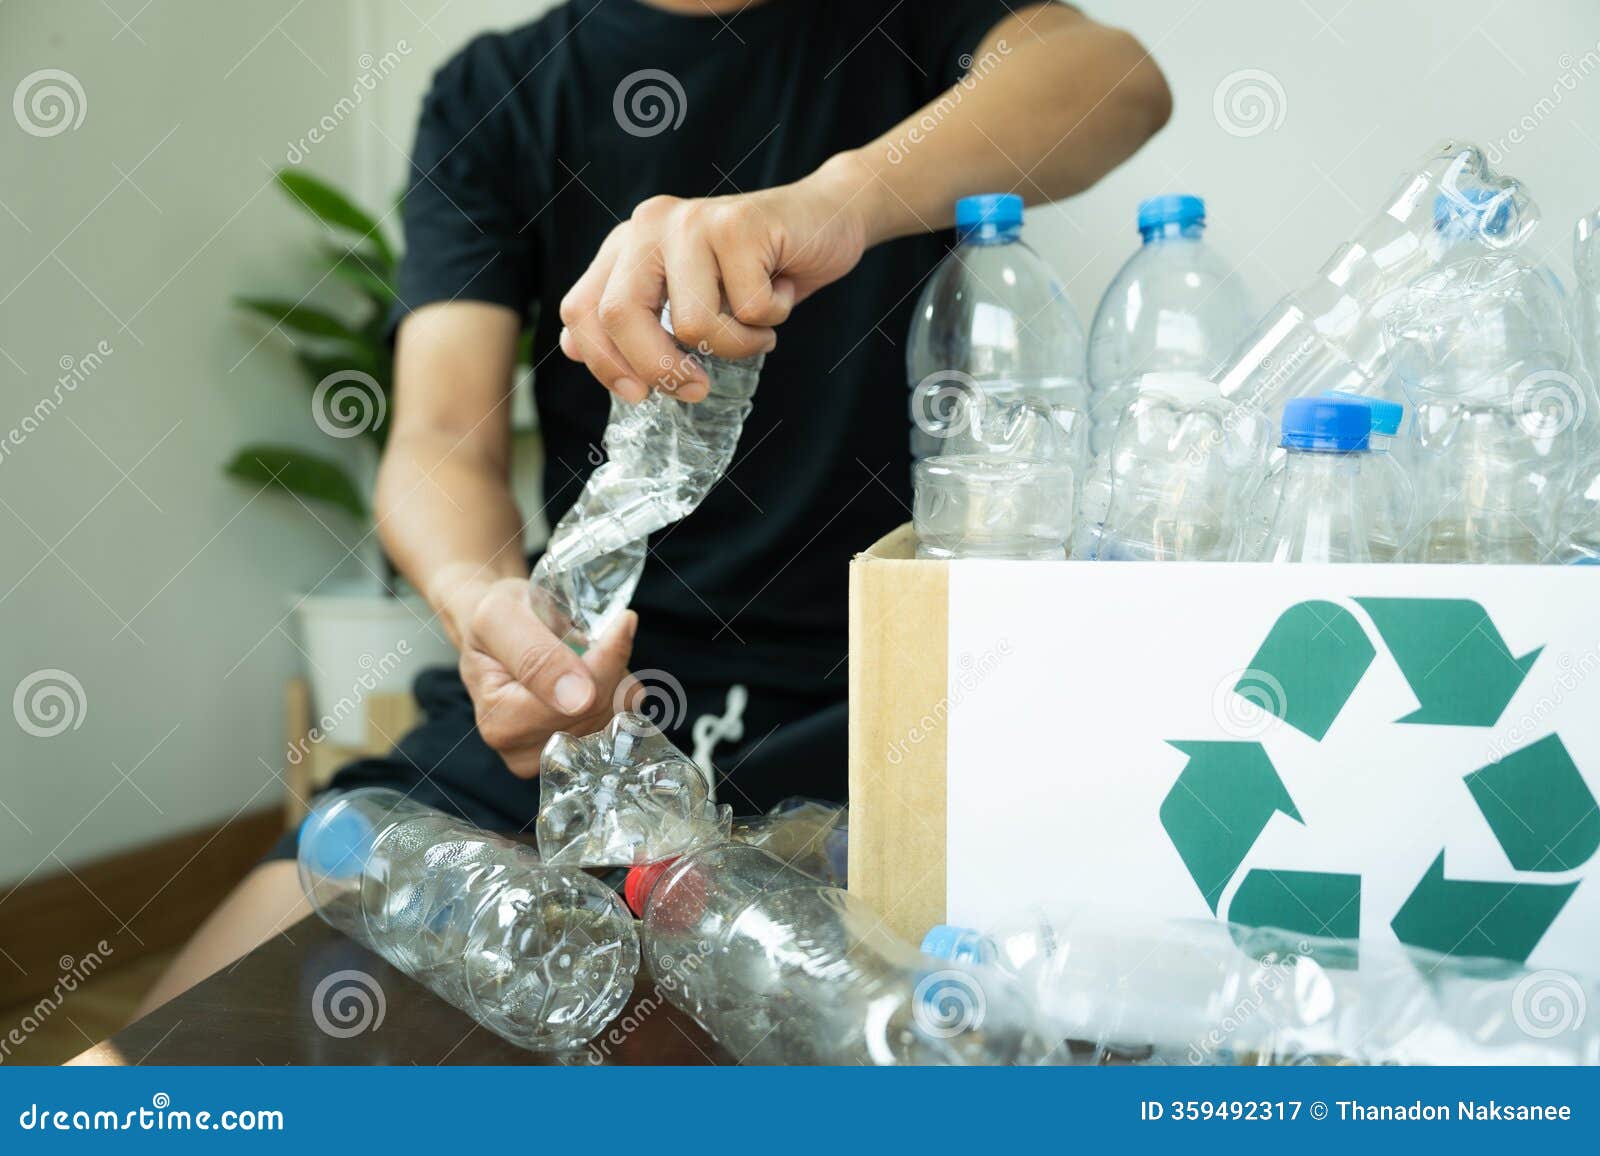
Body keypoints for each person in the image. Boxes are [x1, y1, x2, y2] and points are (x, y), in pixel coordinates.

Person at [137, 0, 1169, 1014]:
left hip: (879, 706)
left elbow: (1115, 82)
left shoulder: (900, 23)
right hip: (585, 697)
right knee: (186, 1042)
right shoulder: (498, 91)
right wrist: (483, 605)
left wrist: (838, 199)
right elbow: (441, 435)